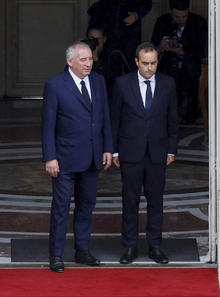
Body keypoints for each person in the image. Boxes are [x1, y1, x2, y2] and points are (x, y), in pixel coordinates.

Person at [42, 41, 113, 273]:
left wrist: (107, 148)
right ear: (70, 61)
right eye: (83, 60)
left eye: (90, 59)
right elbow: (48, 125)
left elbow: (105, 119)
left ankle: (82, 250)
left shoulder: (99, 81)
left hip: (92, 157)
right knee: (61, 208)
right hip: (64, 160)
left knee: (86, 207)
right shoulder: (55, 85)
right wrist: (50, 157)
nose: (88, 63)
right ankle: (56, 255)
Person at [109, 42, 179, 265]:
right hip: (130, 152)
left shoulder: (168, 84)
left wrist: (171, 149)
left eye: (154, 63)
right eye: (145, 63)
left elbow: (172, 119)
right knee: (130, 200)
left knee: (155, 200)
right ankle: (130, 246)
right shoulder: (122, 83)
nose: (150, 68)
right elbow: (115, 120)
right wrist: (115, 150)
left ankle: (155, 245)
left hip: (158, 152)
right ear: (137, 62)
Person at [149, 0, 208, 123]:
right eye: (177, 17)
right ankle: (170, 111)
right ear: (170, 12)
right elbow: (152, 48)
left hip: (191, 66)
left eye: (184, 16)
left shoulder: (198, 23)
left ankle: (191, 112)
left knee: (192, 70)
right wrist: (160, 47)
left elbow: (200, 50)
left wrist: (182, 52)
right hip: (170, 65)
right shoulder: (162, 22)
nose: (181, 20)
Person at [85, 25, 129, 93]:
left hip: (106, 94)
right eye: (91, 39)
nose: (95, 42)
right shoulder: (81, 53)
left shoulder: (113, 54)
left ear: (104, 39)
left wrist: (96, 60)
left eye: (98, 39)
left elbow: (113, 79)